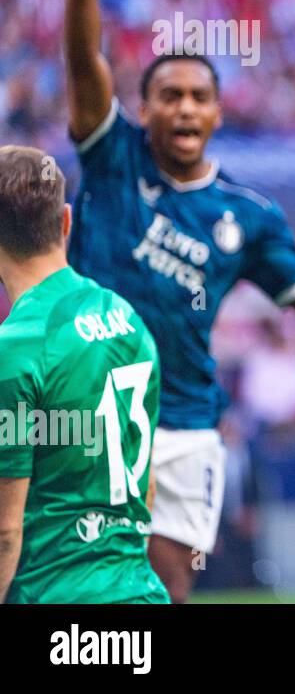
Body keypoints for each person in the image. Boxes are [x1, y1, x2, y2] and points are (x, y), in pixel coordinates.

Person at [61, 0, 295, 602]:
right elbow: (81, 61)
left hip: (186, 416)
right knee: (71, 583)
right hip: (85, 404)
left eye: (198, 95)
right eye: (169, 94)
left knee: (166, 585)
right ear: (146, 107)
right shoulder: (113, 155)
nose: (184, 106)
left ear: (219, 112)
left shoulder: (246, 215)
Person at [0, 146, 168, 604]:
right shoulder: (129, 319)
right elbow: (147, 483)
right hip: (137, 593)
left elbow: (5, 530)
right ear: (66, 221)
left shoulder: (15, 348)